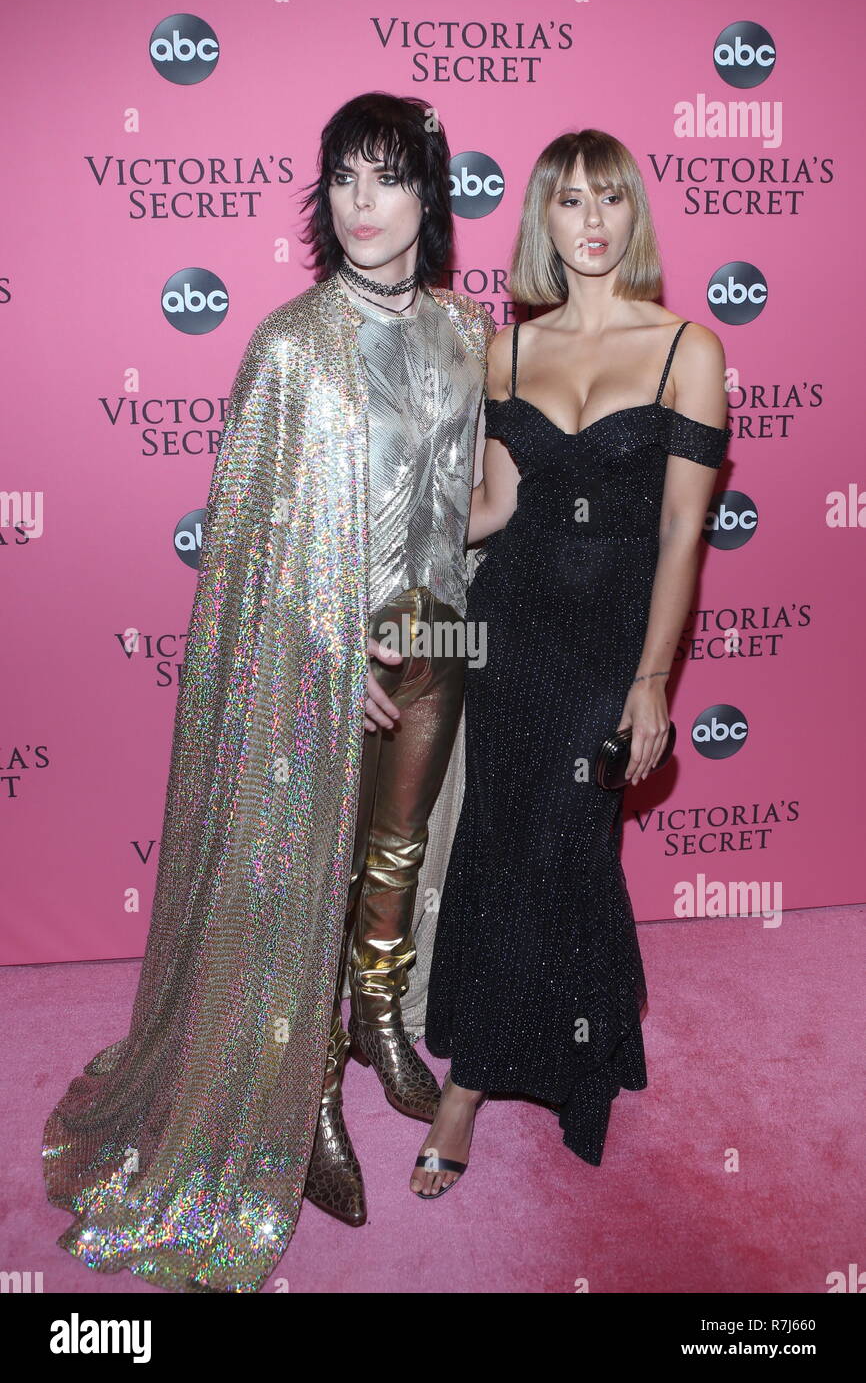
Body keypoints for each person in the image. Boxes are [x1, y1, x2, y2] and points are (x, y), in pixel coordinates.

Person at [41, 92, 494, 1291]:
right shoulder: (291, 344)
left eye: (386, 179)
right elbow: (244, 543)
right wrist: (320, 663)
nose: (360, 202)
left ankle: (383, 1016)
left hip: (440, 634)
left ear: (427, 198)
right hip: (333, 668)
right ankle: (304, 1102)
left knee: (396, 852)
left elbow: (465, 491)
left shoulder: (462, 331)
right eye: (342, 178)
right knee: (312, 874)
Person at [416, 128, 732, 1198]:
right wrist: (382, 539)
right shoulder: (507, 349)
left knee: (564, 835)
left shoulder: (686, 348)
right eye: (568, 202)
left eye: (608, 200)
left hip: (606, 649)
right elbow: (497, 503)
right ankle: (559, 1049)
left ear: (631, 214)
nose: (589, 222)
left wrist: (650, 679)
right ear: (540, 221)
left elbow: (684, 531)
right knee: (510, 837)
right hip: (509, 632)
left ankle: (469, 1083)